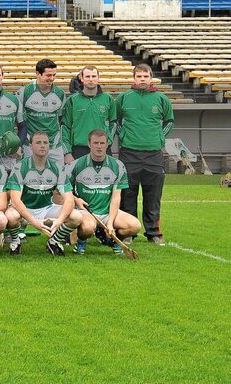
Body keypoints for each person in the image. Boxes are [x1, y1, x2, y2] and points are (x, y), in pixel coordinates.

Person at [114, 63, 173, 245]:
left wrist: (159, 139)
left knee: (153, 195)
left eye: (145, 76)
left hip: (153, 153)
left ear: (151, 78)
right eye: (139, 76)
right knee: (128, 195)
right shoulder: (123, 98)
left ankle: (153, 232)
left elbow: (169, 121)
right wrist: (123, 135)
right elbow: (115, 120)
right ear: (134, 78)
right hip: (129, 153)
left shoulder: (162, 99)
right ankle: (129, 231)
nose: (142, 80)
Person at [4, 131, 82, 256]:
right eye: (38, 142)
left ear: (49, 146)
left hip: (46, 208)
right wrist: (34, 223)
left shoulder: (57, 167)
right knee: (11, 216)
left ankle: (53, 241)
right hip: (24, 209)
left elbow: (69, 199)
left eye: (45, 143)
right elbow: (15, 201)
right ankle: (15, 241)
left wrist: (59, 221)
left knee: (76, 216)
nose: (42, 146)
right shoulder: (20, 167)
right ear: (31, 146)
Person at [71, 130, 142, 254]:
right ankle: (81, 242)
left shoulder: (118, 165)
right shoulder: (76, 164)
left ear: (107, 144)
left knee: (134, 226)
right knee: (88, 228)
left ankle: (113, 242)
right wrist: (76, 199)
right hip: (87, 212)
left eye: (102, 143)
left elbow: (116, 198)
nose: (99, 146)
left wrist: (110, 223)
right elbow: (61, 189)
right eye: (96, 143)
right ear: (89, 144)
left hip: (107, 212)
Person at [61, 65, 117, 164]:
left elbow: (114, 122)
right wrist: (67, 153)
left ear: (98, 78)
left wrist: (108, 141)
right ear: (81, 78)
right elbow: (65, 127)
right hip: (79, 149)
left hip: (102, 148)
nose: (91, 79)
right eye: (87, 76)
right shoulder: (72, 100)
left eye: (94, 76)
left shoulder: (108, 99)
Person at [17, 59, 66, 167]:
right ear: (37, 74)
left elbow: (61, 119)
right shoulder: (24, 92)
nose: (52, 78)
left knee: (59, 179)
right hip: (31, 145)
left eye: (54, 75)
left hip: (54, 145)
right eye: (48, 75)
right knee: (30, 178)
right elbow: (19, 120)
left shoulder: (60, 93)